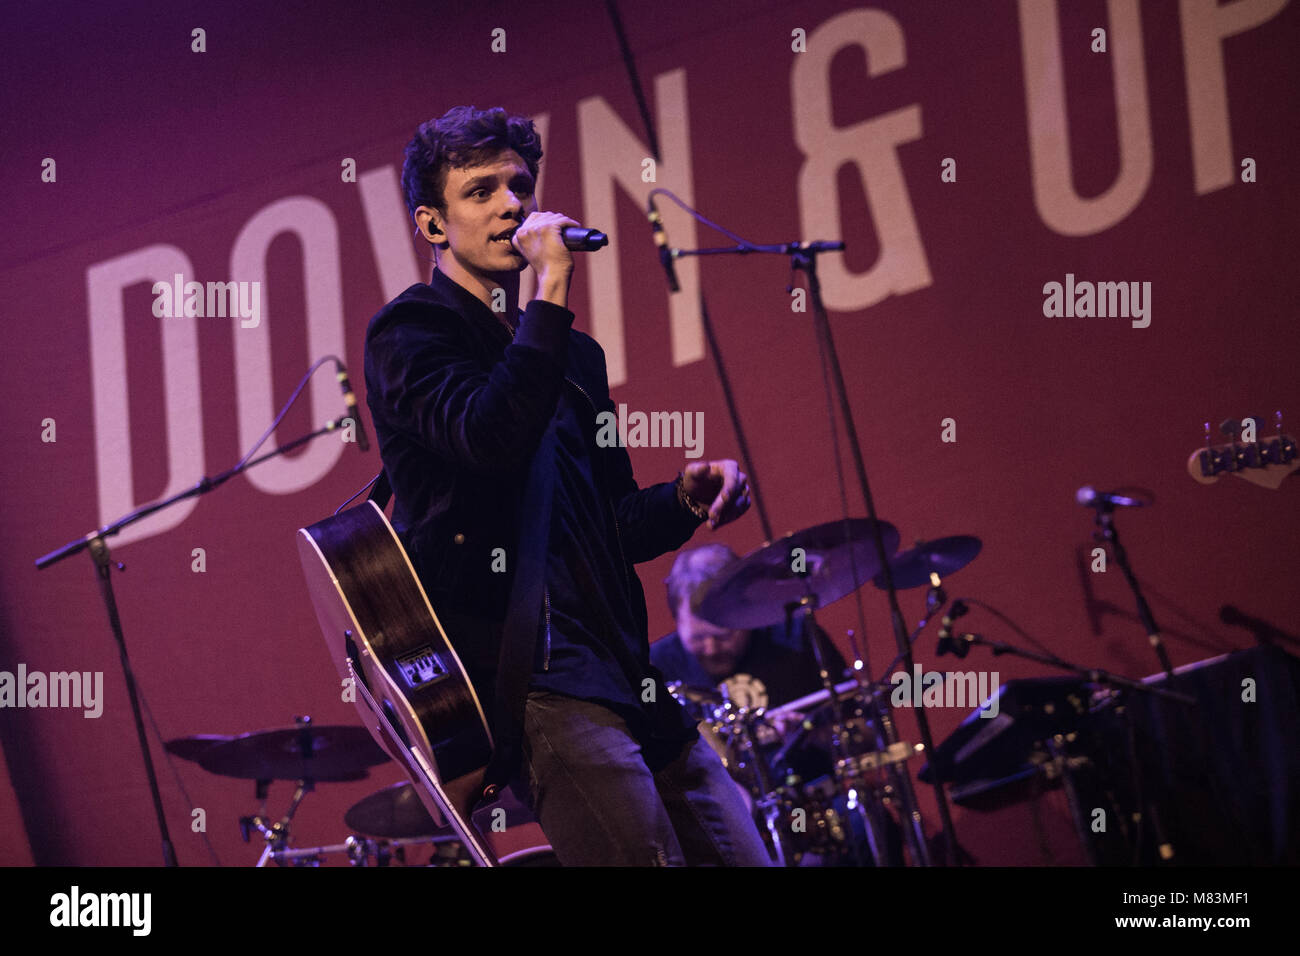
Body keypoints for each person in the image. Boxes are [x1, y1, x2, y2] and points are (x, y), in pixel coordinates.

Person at [363, 105, 771, 866]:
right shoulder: (410, 334)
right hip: (539, 684)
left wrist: (682, 498)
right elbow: (489, 436)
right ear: (432, 224)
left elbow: (612, 522)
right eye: (481, 191)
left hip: (628, 674)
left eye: (520, 185)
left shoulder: (572, 356)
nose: (513, 204)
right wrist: (551, 285)